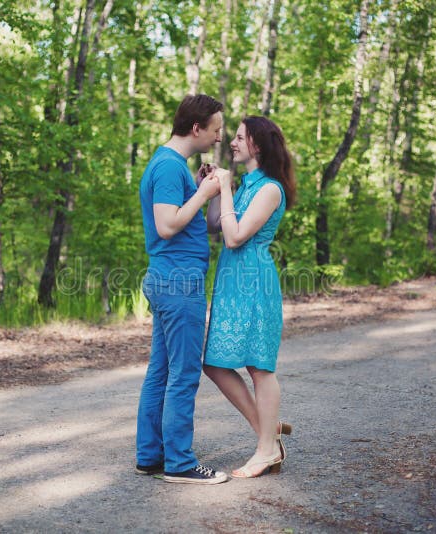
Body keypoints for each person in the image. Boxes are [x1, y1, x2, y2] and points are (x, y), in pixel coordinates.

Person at [136, 94, 229, 485]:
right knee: (183, 373)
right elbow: (167, 225)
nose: (220, 137)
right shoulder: (169, 167)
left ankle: (150, 456)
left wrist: (199, 188)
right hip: (178, 282)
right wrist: (205, 193)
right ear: (196, 128)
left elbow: (194, 223)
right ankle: (179, 462)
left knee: (161, 371)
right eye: (216, 129)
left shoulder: (174, 167)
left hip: (168, 278)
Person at [202, 116, 297, 478]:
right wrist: (211, 187)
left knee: (259, 367)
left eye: (241, 137)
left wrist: (226, 189)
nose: (234, 143)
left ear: (258, 144)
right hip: (230, 284)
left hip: (254, 284)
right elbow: (215, 225)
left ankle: (265, 449)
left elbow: (236, 236)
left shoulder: (270, 189)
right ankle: (268, 431)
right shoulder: (244, 186)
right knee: (213, 363)